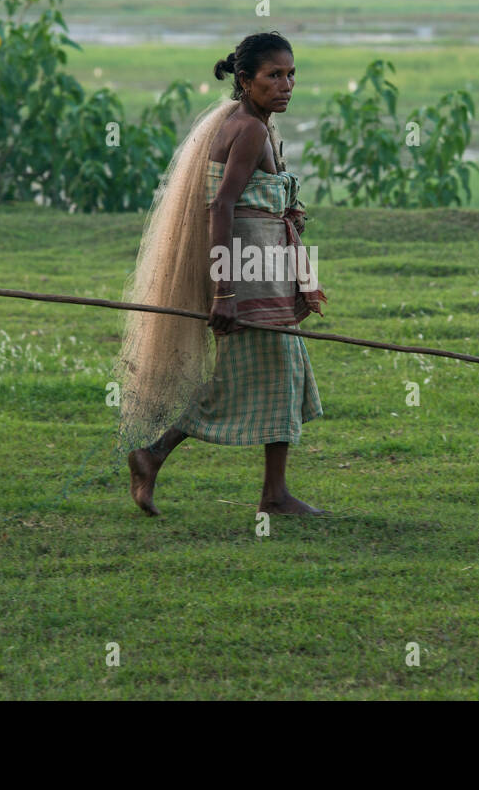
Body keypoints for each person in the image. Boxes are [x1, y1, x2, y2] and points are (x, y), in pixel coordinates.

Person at [115, 32, 327, 517]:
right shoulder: (249, 130)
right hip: (247, 273)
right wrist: (224, 290)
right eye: (274, 76)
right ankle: (156, 455)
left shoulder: (254, 123)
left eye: (291, 74)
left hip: (264, 269)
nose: (286, 85)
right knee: (260, 374)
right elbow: (222, 205)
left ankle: (271, 492)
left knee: (285, 373)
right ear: (246, 80)